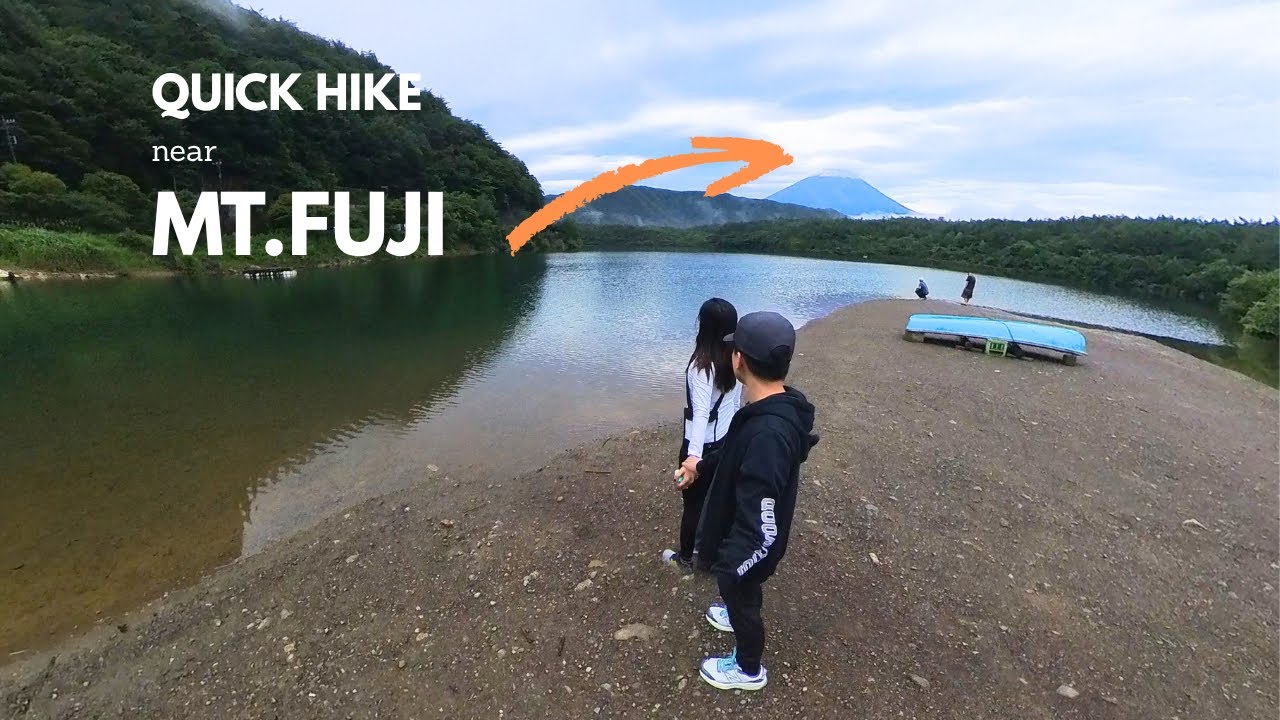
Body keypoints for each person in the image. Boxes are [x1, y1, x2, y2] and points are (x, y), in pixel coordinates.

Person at [675, 311, 818, 692]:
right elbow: (732, 453)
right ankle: (732, 605)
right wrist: (699, 466)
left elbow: (764, 521)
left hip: (753, 546)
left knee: (744, 597)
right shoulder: (763, 411)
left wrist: (735, 564)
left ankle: (748, 668)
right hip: (746, 537)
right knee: (737, 592)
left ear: (739, 360)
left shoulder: (768, 433)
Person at [661, 298, 742, 574]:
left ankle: (685, 558)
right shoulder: (736, 359)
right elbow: (732, 404)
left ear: (703, 327)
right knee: (717, 500)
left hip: (700, 446)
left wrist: (692, 459)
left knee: (693, 505)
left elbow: (700, 415)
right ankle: (712, 553)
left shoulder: (701, 365)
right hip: (724, 443)